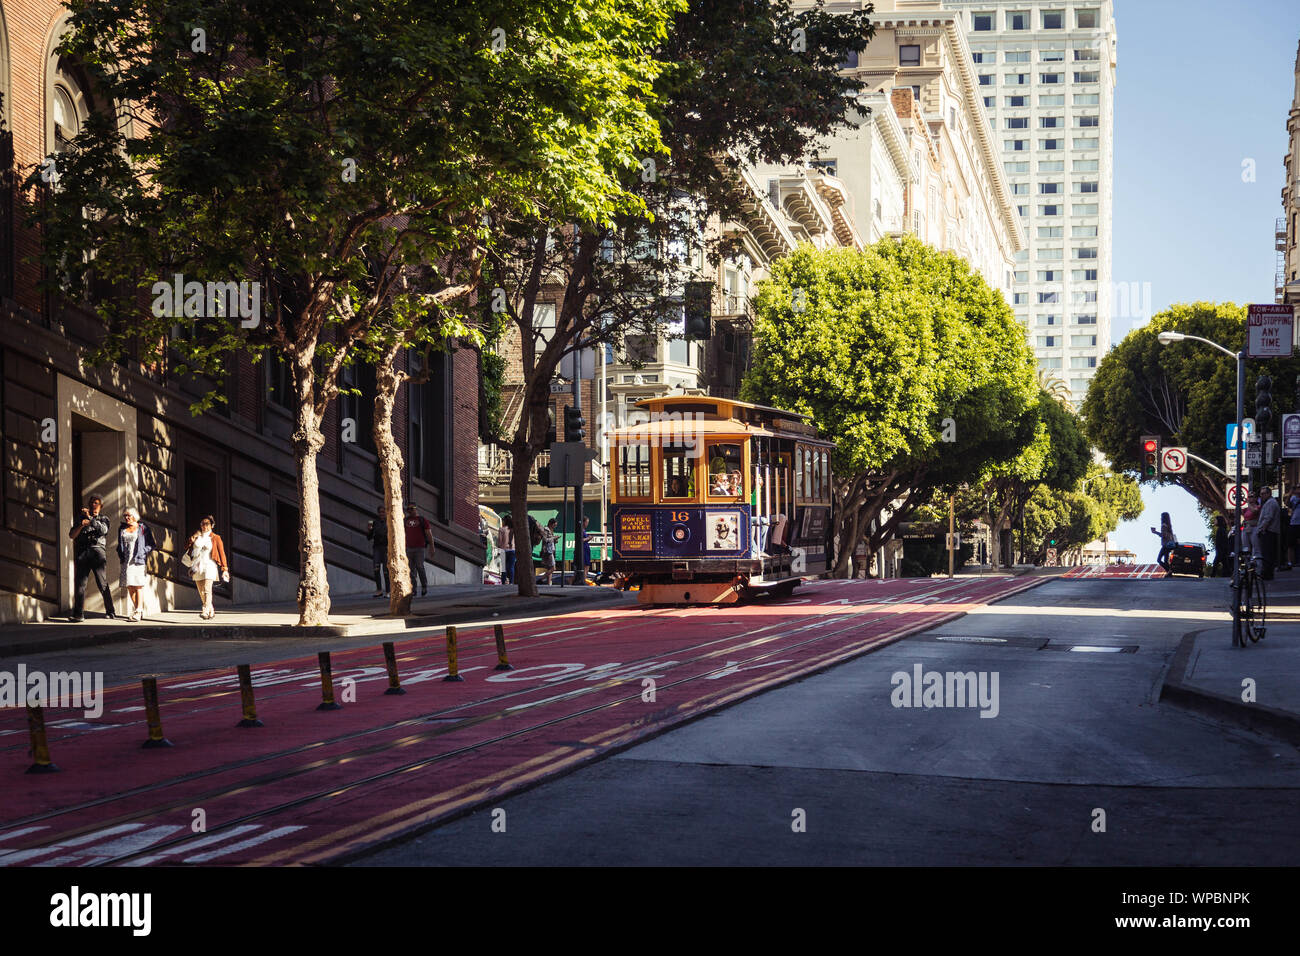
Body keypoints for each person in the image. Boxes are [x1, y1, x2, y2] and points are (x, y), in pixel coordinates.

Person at [68, 495, 115, 621]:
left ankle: (110, 611)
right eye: (92, 503)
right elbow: (72, 535)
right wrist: (81, 525)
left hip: (97, 552)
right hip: (83, 552)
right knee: (80, 584)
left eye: (97, 503)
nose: (94, 505)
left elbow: (103, 530)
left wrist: (90, 518)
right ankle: (78, 614)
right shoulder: (80, 518)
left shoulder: (104, 519)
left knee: (102, 582)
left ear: (101, 506)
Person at [181, 515, 228, 620]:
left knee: (207, 589)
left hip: (210, 565)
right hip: (197, 565)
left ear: (211, 525)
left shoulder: (216, 538)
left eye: (207, 524)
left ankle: (205, 610)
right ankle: (211, 609)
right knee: (201, 591)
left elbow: (222, 553)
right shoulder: (197, 536)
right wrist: (191, 540)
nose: (204, 526)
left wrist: (225, 568)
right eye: (202, 524)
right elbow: (187, 547)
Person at [116, 507, 156, 622]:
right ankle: (138, 609)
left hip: (138, 560)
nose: (127, 518)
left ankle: (138, 610)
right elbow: (120, 544)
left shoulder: (143, 528)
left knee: (138, 586)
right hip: (126, 561)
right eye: (125, 516)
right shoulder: (122, 528)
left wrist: (143, 551)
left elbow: (152, 544)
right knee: (129, 585)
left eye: (129, 515)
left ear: (134, 516)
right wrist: (120, 552)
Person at [404, 504, 434, 596]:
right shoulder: (405, 520)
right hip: (409, 548)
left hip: (420, 548)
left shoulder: (422, 520)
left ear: (416, 509)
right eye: (408, 509)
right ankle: (413, 588)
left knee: (420, 567)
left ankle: (424, 586)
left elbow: (429, 534)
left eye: (412, 509)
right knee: (410, 569)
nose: (409, 510)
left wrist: (432, 547)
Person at [1256, 486, 1281, 580]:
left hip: (1269, 531)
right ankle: (1267, 573)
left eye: (1263, 493)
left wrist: (1262, 529)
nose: (1261, 495)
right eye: (1261, 494)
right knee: (1267, 553)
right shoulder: (1269, 503)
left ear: (1269, 493)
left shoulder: (1271, 503)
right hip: (1269, 531)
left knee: (1267, 554)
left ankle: (1267, 574)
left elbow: (1268, 518)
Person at [366, 505, 390, 597]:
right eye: (380, 512)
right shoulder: (374, 523)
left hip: (386, 548)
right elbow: (369, 537)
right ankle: (379, 590)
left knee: (386, 571)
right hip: (377, 548)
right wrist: (369, 530)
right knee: (376, 569)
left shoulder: (389, 522)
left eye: (383, 512)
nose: (381, 514)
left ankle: (388, 591)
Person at [1150, 512, 1176, 578]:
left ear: (1163, 518)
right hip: (1170, 545)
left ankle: (1169, 571)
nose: (1160, 518)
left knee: (1159, 559)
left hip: (1165, 545)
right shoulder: (1169, 526)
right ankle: (1169, 573)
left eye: (1161, 517)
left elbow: (1163, 535)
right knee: (1165, 560)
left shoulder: (1163, 525)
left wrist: (1155, 532)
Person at [1209, 514, 1230, 579]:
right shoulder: (1222, 529)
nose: (1214, 522)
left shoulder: (1220, 530)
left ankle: (1213, 576)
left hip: (1221, 550)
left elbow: (1221, 542)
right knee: (1225, 564)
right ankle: (1226, 576)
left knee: (1216, 563)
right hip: (1222, 550)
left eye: (1215, 520)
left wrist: (1220, 550)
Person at [499, 515, 516, 585]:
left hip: (503, 550)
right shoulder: (514, 529)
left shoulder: (502, 529)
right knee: (511, 567)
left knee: (503, 567)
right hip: (512, 550)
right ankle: (511, 582)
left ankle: (503, 582)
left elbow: (499, 541)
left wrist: (499, 547)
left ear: (505, 521)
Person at [540, 518, 557, 585]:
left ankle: (549, 583)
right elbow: (545, 540)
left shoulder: (550, 530)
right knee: (553, 568)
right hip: (548, 551)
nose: (555, 527)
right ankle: (541, 579)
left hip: (550, 550)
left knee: (549, 568)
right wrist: (554, 538)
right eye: (554, 525)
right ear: (551, 524)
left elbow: (550, 540)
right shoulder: (546, 530)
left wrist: (555, 540)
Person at [579, 516, 592, 584]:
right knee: (585, 566)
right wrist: (588, 538)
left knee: (587, 565)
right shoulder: (580, 530)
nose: (587, 524)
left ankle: (584, 579)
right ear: (583, 522)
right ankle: (583, 580)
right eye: (587, 522)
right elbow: (581, 540)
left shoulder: (584, 530)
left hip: (586, 548)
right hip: (583, 549)